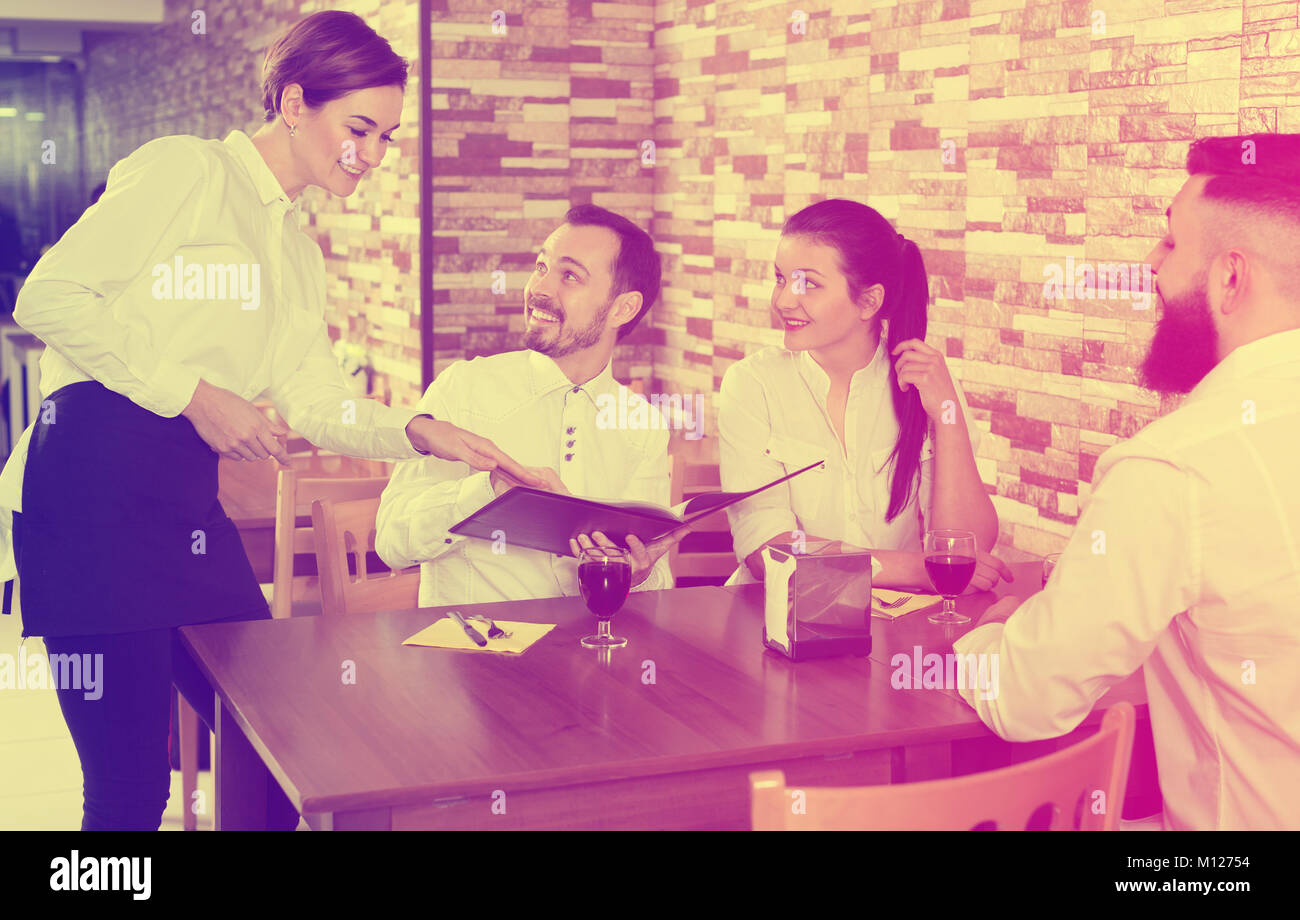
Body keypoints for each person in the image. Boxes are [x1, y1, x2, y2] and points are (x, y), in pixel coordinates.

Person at [0, 10, 536, 831]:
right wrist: (196, 394)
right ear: (293, 104)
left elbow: (317, 398)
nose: (373, 154)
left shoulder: (296, 252)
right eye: (360, 127)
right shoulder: (188, 172)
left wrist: (421, 431)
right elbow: (49, 294)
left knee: (269, 742)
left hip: (180, 503)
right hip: (88, 489)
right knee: (129, 790)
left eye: (388, 137)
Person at [955, 133, 1300, 830]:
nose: (1151, 267)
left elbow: (1026, 697)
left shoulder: (1177, 466)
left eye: (1170, 244)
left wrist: (987, 638)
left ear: (1232, 277)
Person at [376, 205, 684, 605]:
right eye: (542, 266)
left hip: (586, 657)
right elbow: (392, 541)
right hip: (473, 656)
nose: (539, 288)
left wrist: (638, 573)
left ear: (622, 308)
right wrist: (489, 492)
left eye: (570, 276)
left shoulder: (642, 424)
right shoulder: (464, 388)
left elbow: (655, 584)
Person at [717, 199, 1010, 591]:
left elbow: (966, 550)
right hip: (773, 624)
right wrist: (918, 570)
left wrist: (947, 417)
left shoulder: (927, 383)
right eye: (781, 278)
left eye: (808, 283)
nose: (784, 300)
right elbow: (768, 552)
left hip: (899, 632)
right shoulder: (752, 385)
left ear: (869, 301)